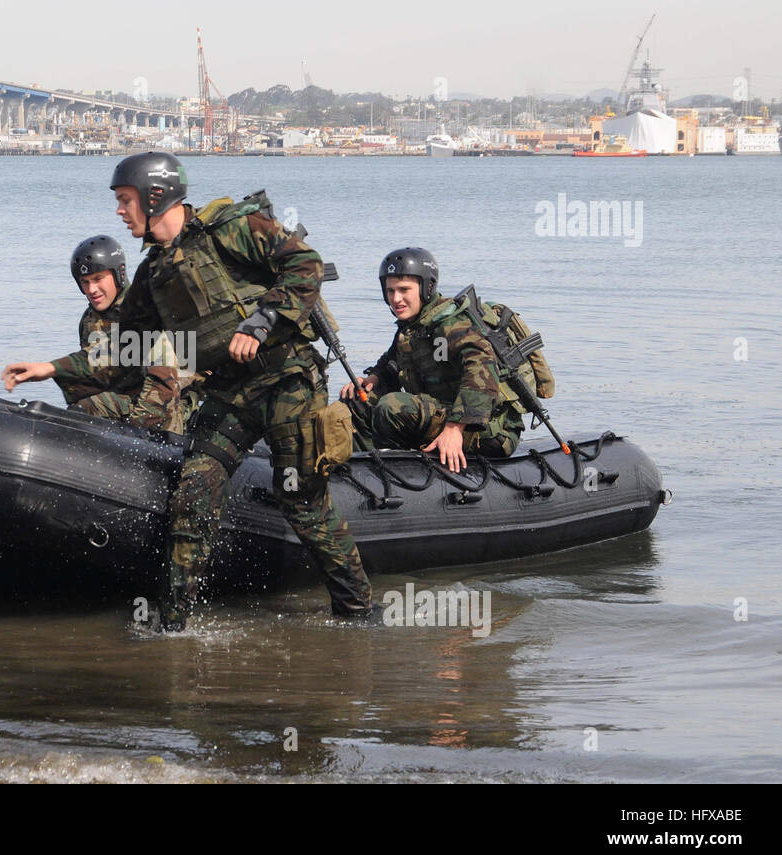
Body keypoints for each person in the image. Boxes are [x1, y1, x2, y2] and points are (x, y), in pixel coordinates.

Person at [101, 151, 374, 631]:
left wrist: (262, 320)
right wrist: (55, 371)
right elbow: (128, 350)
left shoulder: (233, 227)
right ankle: (173, 625)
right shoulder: (151, 275)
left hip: (286, 377)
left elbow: (304, 265)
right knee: (193, 492)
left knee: (300, 500)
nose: (120, 212)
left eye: (125, 201)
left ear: (155, 196)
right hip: (227, 395)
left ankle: (357, 612)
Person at [340, 248, 522, 473]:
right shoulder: (414, 327)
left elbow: (482, 371)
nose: (396, 299)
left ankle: (394, 470)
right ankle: (362, 470)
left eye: (404, 290)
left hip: (486, 430)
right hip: (441, 415)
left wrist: (455, 429)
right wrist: (374, 379)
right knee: (358, 400)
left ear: (427, 288)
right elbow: (393, 362)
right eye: (390, 291)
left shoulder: (450, 325)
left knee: (392, 407)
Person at [1, 234, 186, 434]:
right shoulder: (89, 319)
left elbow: (170, 383)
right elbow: (95, 371)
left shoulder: (148, 310)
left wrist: (136, 431)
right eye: (85, 282)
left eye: (98, 279)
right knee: (78, 409)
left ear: (119, 274)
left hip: (162, 409)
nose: (92, 289)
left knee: (87, 407)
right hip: (119, 405)